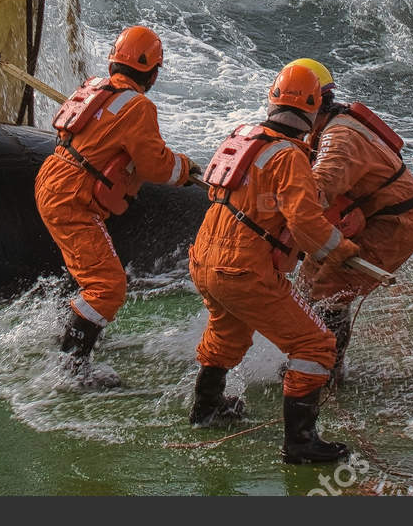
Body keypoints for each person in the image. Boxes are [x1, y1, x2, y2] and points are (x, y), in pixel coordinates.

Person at [187, 62, 363, 464]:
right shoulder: (290, 157)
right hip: (245, 270)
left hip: (205, 260)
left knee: (227, 334)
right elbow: (305, 222)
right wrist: (341, 251)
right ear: (313, 107)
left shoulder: (242, 137)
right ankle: (300, 443)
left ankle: (206, 408)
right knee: (317, 344)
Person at [36, 25, 195, 382]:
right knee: (108, 286)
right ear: (153, 73)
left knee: (94, 278)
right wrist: (185, 168)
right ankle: (71, 369)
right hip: (73, 197)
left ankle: (74, 331)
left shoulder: (94, 87)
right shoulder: (138, 107)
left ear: (113, 65)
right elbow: (156, 165)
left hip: (53, 179)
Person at [289, 58, 413, 385]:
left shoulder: (338, 138)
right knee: (306, 283)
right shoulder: (326, 127)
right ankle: (313, 358)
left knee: (330, 290)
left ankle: (325, 371)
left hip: (393, 223)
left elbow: (316, 191)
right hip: (368, 214)